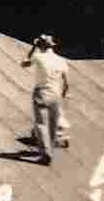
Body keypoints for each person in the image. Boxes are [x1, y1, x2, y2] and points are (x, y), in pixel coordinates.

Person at [21, 34, 69, 164]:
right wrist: (62, 95)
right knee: (53, 124)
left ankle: (46, 153)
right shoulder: (61, 60)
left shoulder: (38, 57)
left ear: (40, 46)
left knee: (41, 124)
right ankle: (50, 149)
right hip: (56, 94)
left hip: (42, 93)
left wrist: (33, 47)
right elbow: (66, 84)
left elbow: (24, 63)